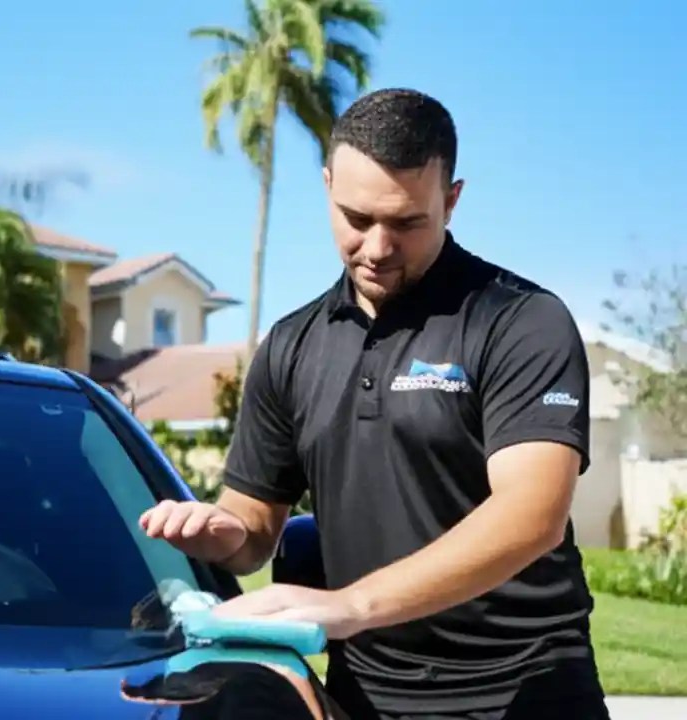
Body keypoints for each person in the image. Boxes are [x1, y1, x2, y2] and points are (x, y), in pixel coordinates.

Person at [140, 88, 608, 719]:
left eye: (408, 222)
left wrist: (350, 606)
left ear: (452, 200)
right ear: (328, 185)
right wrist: (223, 531)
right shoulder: (291, 345)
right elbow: (253, 531)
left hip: (526, 693)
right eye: (357, 219)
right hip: (363, 700)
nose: (378, 247)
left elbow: (532, 515)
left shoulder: (520, 322)